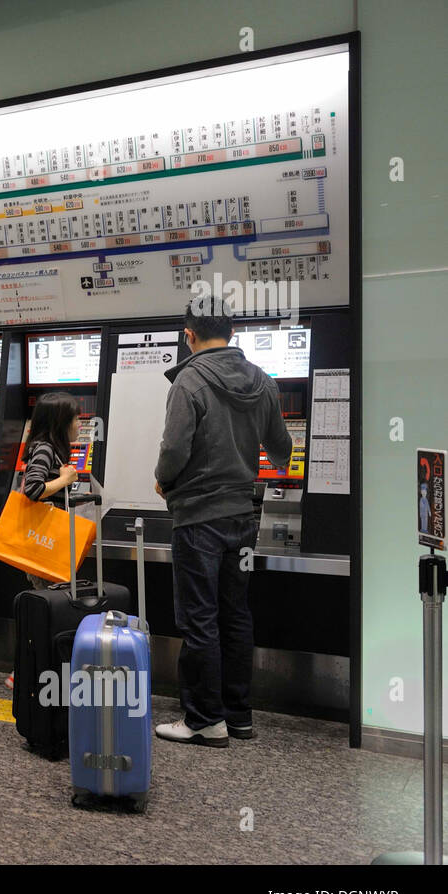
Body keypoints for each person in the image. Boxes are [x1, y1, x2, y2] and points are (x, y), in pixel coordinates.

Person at [153, 297, 293, 746]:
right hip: (243, 518)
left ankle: (203, 719)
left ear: (189, 335)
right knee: (236, 614)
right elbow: (283, 450)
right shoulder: (263, 381)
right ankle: (238, 716)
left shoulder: (190, 380)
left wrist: (163, 481)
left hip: (198, 520)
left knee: (199, 618)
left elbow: (174, 450)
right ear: (231, 333)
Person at [3, 391, 81, 689]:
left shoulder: (48, 449)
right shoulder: (46, 449)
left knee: (50, 610)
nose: (79, 424)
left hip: (44, 544)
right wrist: (65, 480)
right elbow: (32, 490)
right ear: (60, 421)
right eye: (75, 418)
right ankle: (24, 672)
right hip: (43, 546)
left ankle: (28, 671)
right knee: (50, 611)